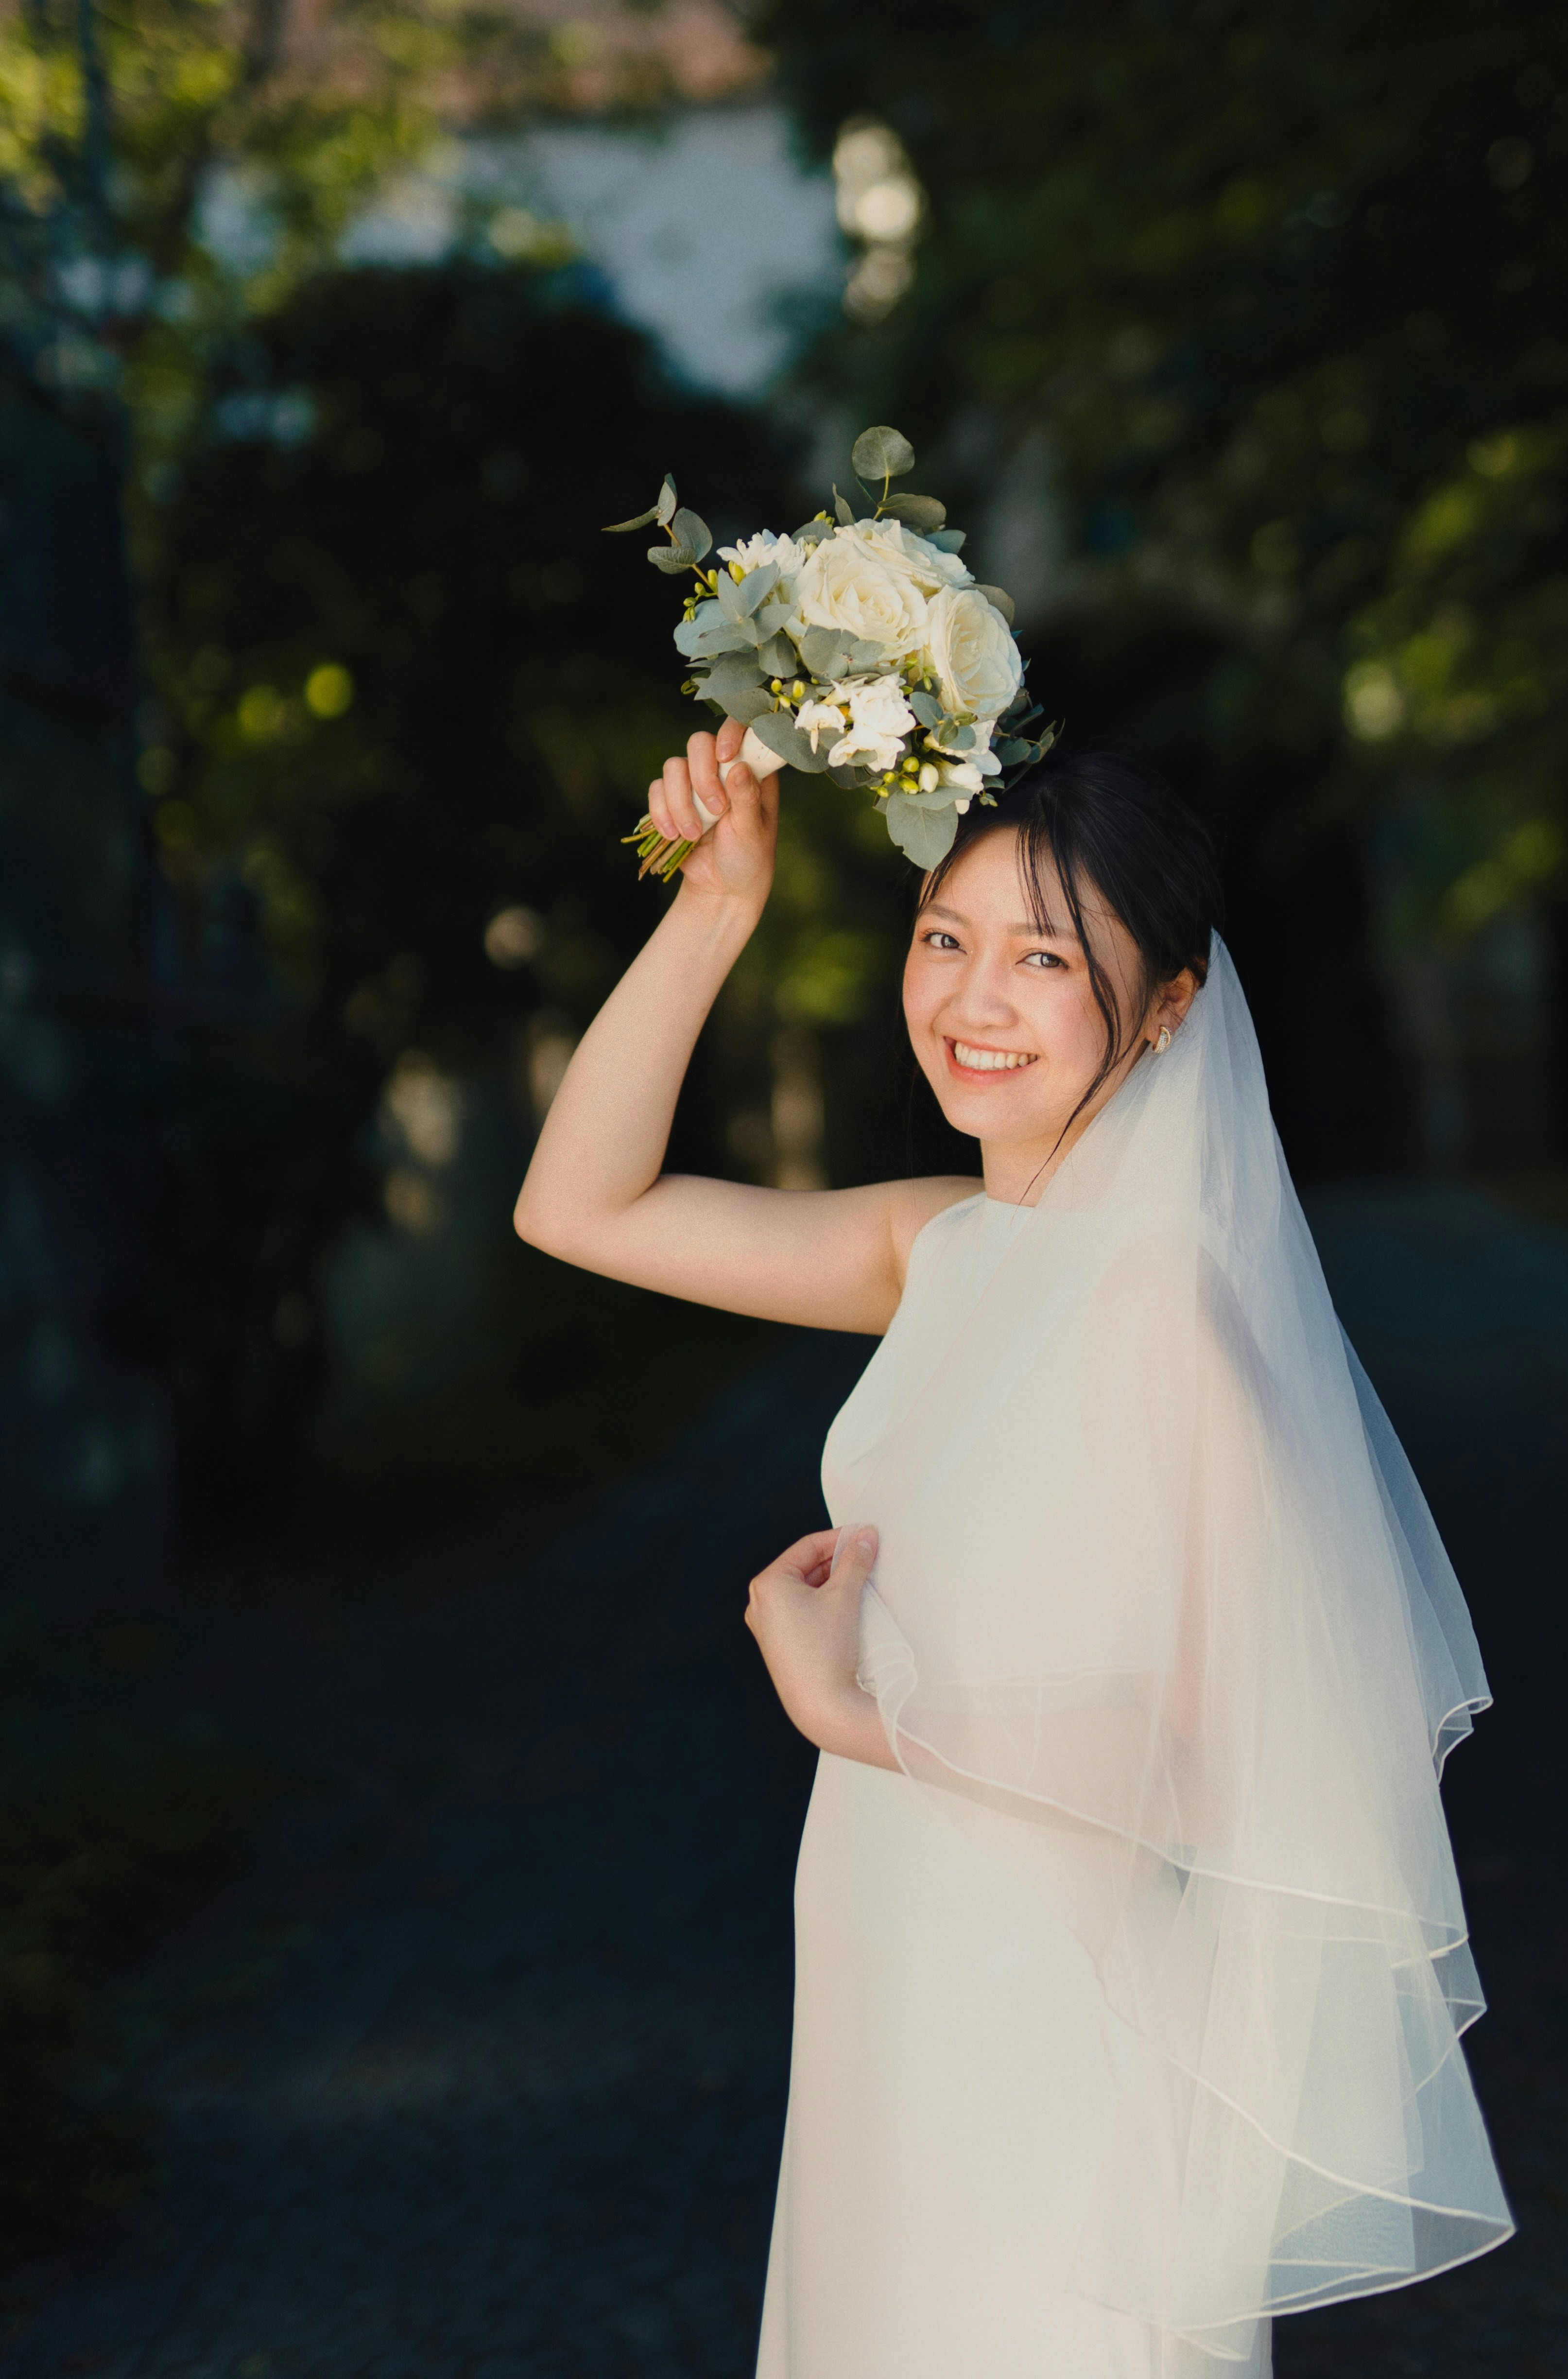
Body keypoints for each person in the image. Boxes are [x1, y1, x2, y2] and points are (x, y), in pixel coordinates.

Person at [515, 724, 1513, 2378]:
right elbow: (580, 1208)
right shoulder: (945, 1245)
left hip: (1059, 2028)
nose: (972, 1002)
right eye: (944, 942)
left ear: (1171, 1007)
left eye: (1043, 958)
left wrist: (846, 1712)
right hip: (892, 1991)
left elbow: (1214, 1758)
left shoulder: (1169, 1307)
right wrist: (713, 910)